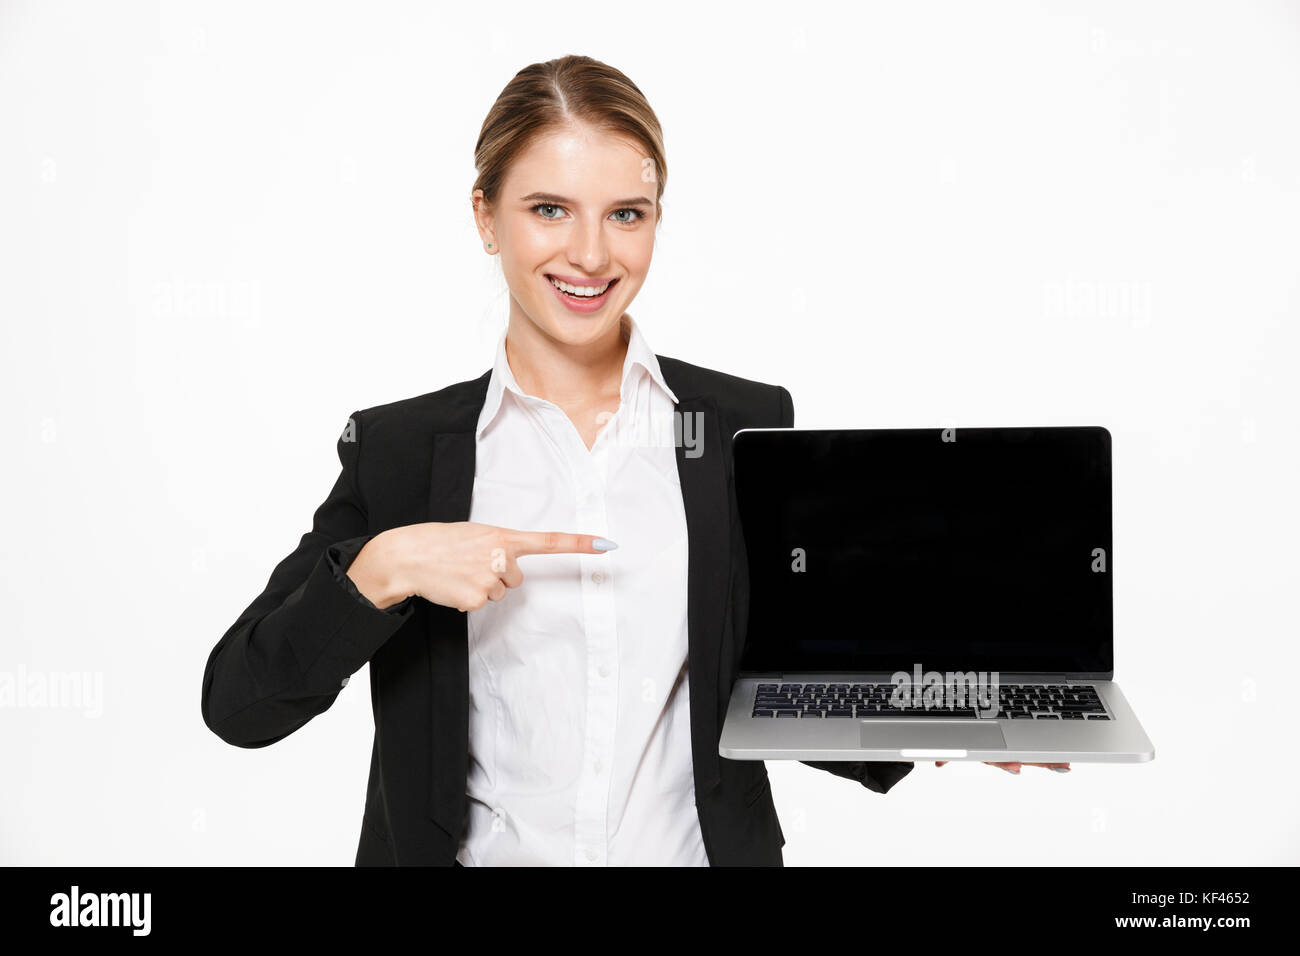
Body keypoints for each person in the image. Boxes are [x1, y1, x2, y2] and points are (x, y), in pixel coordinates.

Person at [200, 54, 1065, 868]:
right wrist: (381, 570)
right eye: (548, 209)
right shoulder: (398, 453)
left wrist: (933, 713)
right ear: (484, 218)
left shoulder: (741, 425)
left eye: (626, 214)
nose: (589, 255)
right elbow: (240, 703)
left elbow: (775, 685)